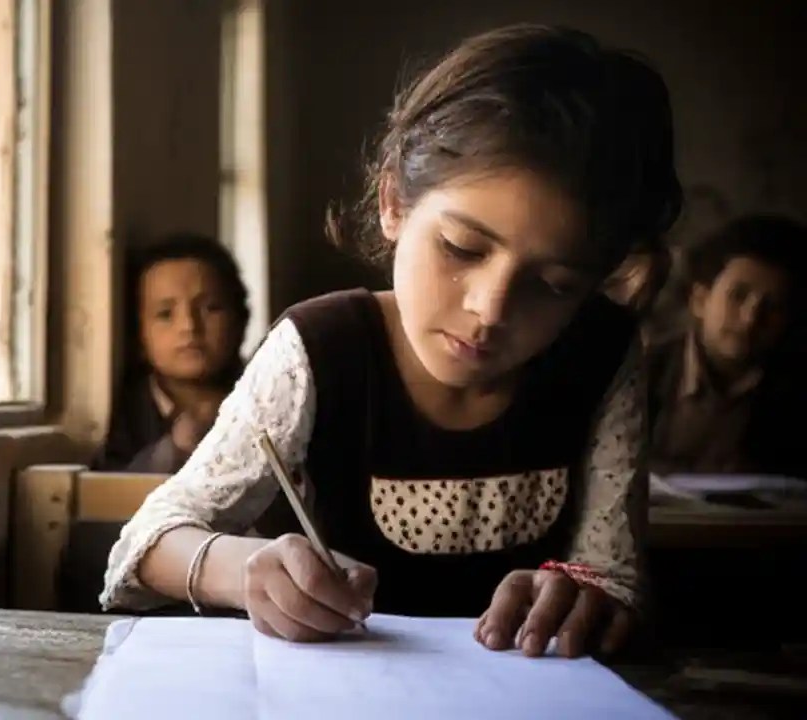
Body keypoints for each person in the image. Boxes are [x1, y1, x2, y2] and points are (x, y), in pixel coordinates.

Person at [101, 24, 682, 660]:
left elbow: (618, 577)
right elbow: (145, 543)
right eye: (462, 248)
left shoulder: (600, 352)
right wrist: (245, 569)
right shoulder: (319, 348)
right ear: (393, 204)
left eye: (555, 284)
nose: (488, 310)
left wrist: (588, 596)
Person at [647, 214, 807, 479]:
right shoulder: (641, 372)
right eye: (738, 295)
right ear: (700, 299)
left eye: (773, 306)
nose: (750, 318)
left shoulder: (796, 390)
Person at [92, 233, 250, 474]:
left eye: (210, 308)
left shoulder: (267, 396)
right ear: (138, 333)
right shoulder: (118, 413)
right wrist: (173, 450)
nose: (189, 325)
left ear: (241, 319)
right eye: (165, 314)